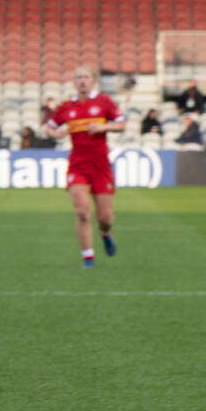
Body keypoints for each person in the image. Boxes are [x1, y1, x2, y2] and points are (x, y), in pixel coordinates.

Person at [43, 66, 126, 268]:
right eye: (78, 77)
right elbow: (48, 127)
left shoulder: (104, 102)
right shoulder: (67, 107)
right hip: (78, 166)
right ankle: (88, 257)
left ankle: (105, 234)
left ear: (93, 80)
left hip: (101, 167)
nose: (82, 81)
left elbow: (121, 124)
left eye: (86, 77)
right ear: (74, 81)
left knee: (105, 218)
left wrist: (104, 126)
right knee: (81, 211)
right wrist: (56, 134)